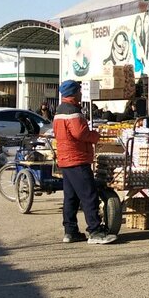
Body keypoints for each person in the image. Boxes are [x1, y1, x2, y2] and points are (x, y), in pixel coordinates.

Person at [53, 80, 117, 245]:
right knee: (89, 196)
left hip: (65, 159)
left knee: (71, 198)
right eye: (79, 91)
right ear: (74, 93)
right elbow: (80, 133)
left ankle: (70, 231)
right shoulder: (72, 111)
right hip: (77, 158)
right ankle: (95, 231)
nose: (81, 93)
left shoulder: (59, 110)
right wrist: (95, 136)